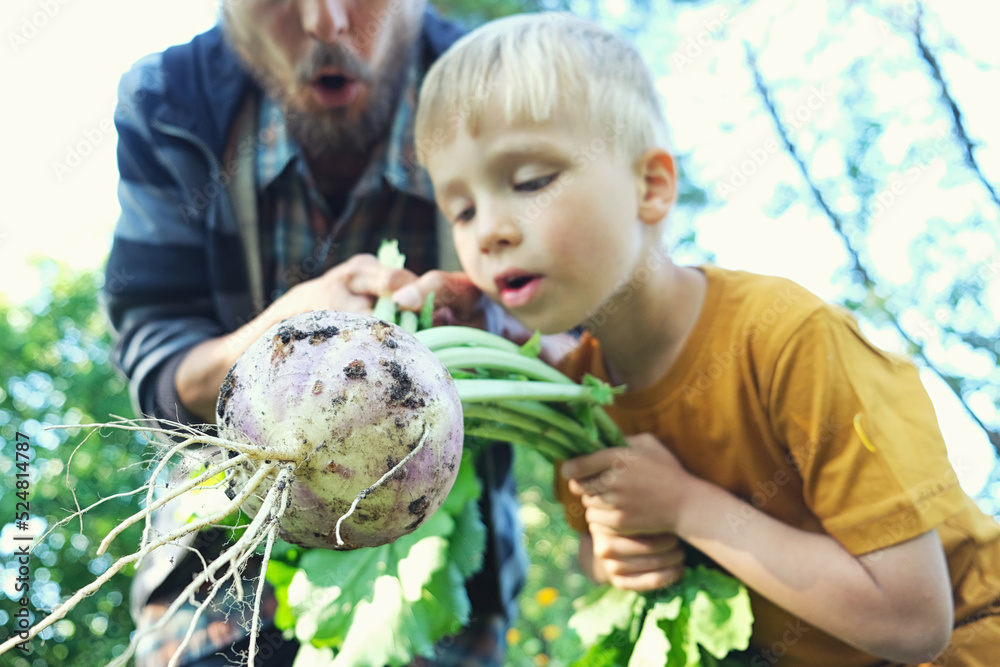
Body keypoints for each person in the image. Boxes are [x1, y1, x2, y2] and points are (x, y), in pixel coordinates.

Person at [405, 12, 1000, 666]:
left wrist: (687, 507)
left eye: (530, 182)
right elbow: (600, 542)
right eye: (461, 208)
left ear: (651, 187)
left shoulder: (789, 340)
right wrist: (616, 549)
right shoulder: (576, 395)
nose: (488, 229)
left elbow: (915, 619)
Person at [104, 2, 526, 665]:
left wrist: (501, 319)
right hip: (217, 559)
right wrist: (283, 332)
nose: (326, 22)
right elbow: (158, 364)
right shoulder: (170, 101)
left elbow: (582, 306)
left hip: (428, 565)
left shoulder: (505, 83)